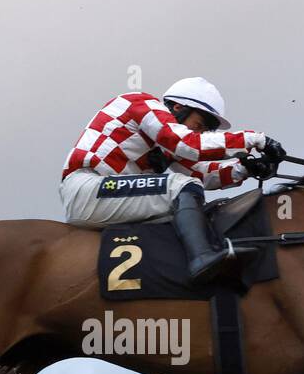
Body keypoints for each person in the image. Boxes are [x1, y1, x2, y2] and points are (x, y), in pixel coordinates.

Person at [59, 78, 285, 282]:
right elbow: (189, 146)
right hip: (88, 187)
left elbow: (200, 173)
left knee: (187, 200)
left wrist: (245, 168)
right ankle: (202, 258)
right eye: (198, 125)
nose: (199, 133)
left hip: (109, 196)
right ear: (178, 107)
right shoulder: (140, 103)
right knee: (181, 187)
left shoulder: (165, 144)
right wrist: (256, 140)